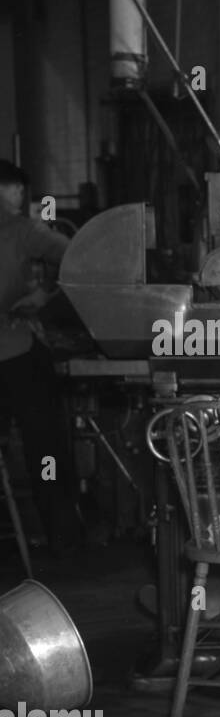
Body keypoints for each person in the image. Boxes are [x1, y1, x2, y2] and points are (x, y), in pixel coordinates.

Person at [0, 159, 82, 556]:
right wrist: (47, 293)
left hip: (17, 348)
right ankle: (59, 532)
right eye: (13, 189)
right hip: (18, 354)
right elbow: (76, 255)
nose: (19, 197)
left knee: (39, 445)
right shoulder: (24, 229)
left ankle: (50, 528)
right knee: (44, 446)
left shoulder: (24, 230)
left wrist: (44, 291)